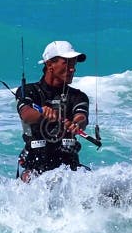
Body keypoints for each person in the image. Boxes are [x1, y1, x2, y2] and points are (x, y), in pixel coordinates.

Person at [15, 40, 90, 180]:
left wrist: (76, 124)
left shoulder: (78, 96)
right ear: (49, 64)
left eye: (74, 64)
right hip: (35, 166)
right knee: (28, 179)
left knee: (99, 184)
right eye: (67, 64)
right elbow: (26, 114)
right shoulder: (29, 91)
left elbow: (82, 118)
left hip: (69, 168)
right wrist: (42, 113)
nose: (72, 69)